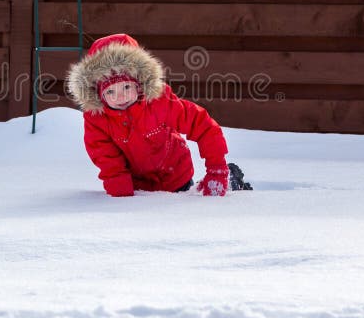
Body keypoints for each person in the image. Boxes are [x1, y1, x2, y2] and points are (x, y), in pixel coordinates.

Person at [66, 33, 250, 197]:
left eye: (127, 87)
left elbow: (203, 126)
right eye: (110, 92)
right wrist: (121, 194)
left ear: (139, 83)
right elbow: (106, 158)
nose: (120, 97)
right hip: (139, 187)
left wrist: (216, 168)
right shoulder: (97, 119)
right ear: (98, 94)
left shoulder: (159, 102)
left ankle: (232, 180)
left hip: (176, 177)